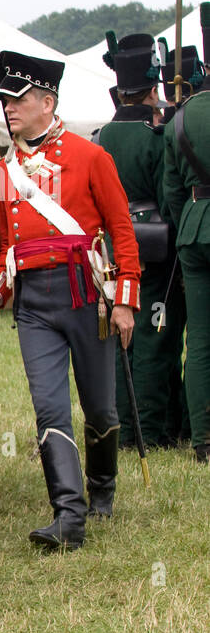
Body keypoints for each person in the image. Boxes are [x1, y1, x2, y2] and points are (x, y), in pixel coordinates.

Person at [0, 52, 139, 548]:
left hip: (85, 293)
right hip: (35, 303)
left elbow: (122, 230)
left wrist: (124, 298)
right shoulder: (3, 170)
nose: (9, 109)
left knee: (100, 408)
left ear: (48, 101)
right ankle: (68, 513)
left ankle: (101, 488)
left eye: (18, 99)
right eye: (5, 101)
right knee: (49, 409)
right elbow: (4, 245)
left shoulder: (91, 157)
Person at [97, 34, 185, 451]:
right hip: (154, 246)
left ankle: (121, 429)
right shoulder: (156, 138)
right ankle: (145, 432)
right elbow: (168, 198)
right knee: (152, 336)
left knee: (119, 341)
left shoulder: (99, 138)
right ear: (152, 91)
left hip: (113, 249)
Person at [161, 38, 210, 465]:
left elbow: (172, 189)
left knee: (200, 341)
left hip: (193, 230)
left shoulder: (182, 116)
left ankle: (203, 440)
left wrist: (190, 221)